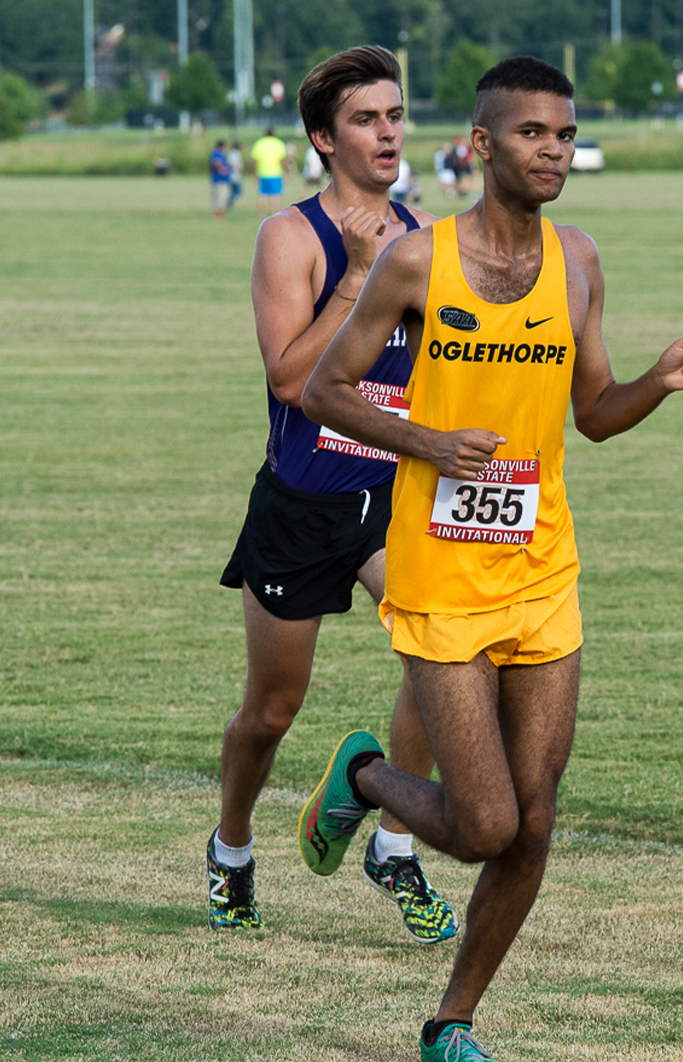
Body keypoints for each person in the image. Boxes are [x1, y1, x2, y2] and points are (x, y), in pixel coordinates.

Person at [297, 55, 683, 1062]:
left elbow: (594, 414)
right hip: (442, 578)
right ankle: (361, 773)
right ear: (482, 145)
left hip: (542, 575)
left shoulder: (577, 262)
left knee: (533, 821)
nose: (556, 153)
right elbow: (323, 390)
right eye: (534, 134)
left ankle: (453, 1024)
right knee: (484, 823)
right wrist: (432, 445)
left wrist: (659, 382)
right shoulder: (416, 263)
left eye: (567, 137)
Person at [211, 45, 457, 943]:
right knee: (272, 709)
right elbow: (288, 381)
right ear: (323, 137)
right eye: (366, 119)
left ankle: (393, 840)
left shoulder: (430, 238)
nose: (388, 133)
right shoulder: (289, 236)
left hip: (392, 500)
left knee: (444, 660)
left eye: (396, 115)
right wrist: (357, 275)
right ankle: (232, 849)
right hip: (304, 501)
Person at [249, 126, 289, 211]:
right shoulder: (279, 143)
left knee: (262, 195)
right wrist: (284, 171)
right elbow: (282, 160)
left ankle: (261, 214)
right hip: (275, 172)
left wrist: (254, 173)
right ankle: (275, 213)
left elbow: (255, 160)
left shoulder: (259, 143)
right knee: (275, 196)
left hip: (262, 172)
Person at [210, 139, 234, 219]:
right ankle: (219, 216)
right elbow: (216, 163)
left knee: (220, 198)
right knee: (221, 198)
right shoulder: (217, 154)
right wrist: (222, 169)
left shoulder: (222, 154)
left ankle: (219, 215)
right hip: (220, 180)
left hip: (222, 180)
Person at [227, 140, 246, 210]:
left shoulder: (231, 153)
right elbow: (231, 164)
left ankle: (229, 202)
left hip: (234, 175)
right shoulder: (235, 154)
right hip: (234, 176)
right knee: (238, 192)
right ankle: (229, 201)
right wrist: (238, 168)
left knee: (235, 191)